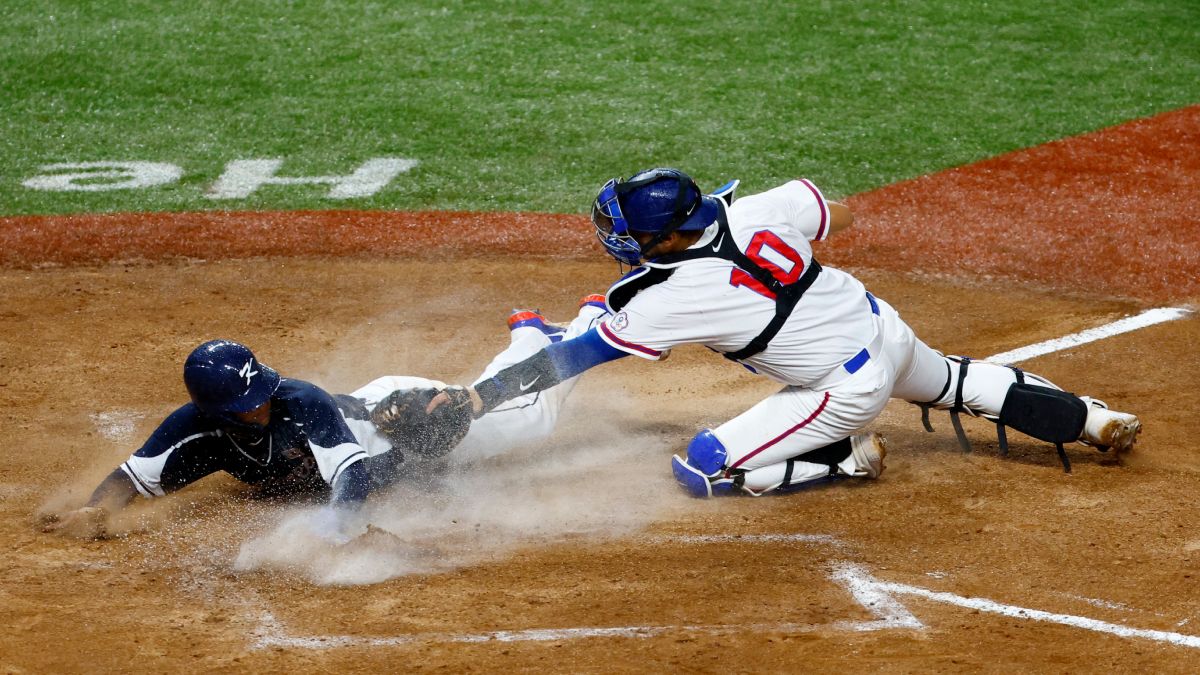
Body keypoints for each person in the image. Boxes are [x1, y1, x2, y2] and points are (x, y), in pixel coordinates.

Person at [427, 168, 1141, 497]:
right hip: (880, 323)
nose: (618, 238)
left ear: (669, 236)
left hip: (843, 389)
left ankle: (845, 461)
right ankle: (1095, 417)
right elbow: (834, 207)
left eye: (631, 231)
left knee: (702, 466)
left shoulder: (665, 298)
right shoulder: (753, 208)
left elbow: (573, 358)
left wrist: (477, 398)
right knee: (952, 380)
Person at [43, 299, 609, 539]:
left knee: (533, 417)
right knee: (519, 410)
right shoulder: (192, 428)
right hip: (378, 423)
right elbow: (132, 477)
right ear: (218, 413)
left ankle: (586, 322)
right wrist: (96, 512)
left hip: (402, 421)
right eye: (249, 403)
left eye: (262, 391)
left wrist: (334, 531)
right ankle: (531, 330)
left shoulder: (300, 400)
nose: (264, 403)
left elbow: (353, 478)